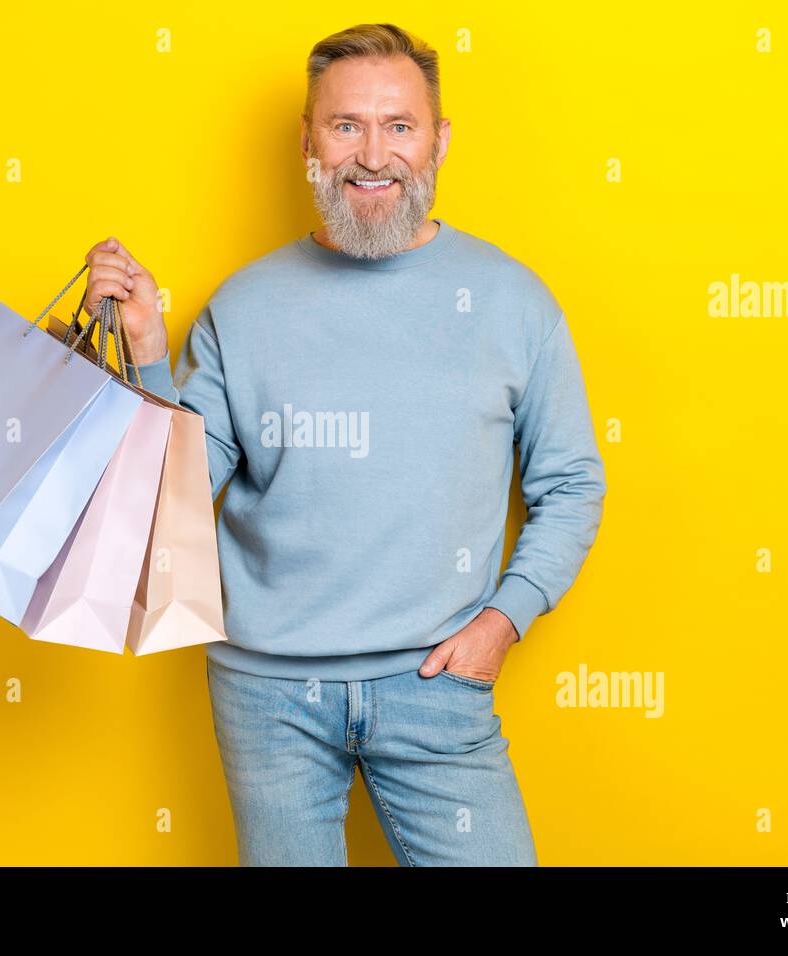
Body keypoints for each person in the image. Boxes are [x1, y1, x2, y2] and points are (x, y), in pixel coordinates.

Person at [80, 22, 606, 866]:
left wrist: (505, 620)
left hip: (438, 688)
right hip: (269, 697)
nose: (373, 154)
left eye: (399, 125)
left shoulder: (511, 299)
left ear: (438, 139)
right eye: (346, 126)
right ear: (308, 142)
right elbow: (171, 496)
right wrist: (147, 347)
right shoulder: (243, 306)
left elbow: (573, 482)